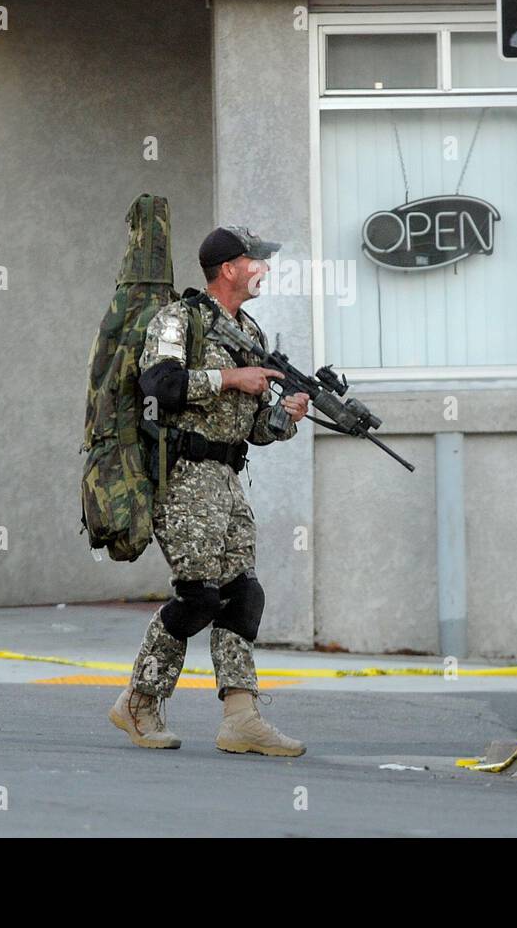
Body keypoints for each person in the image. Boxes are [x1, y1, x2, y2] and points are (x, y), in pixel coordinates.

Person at [110, 225, 310, 756]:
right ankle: (139, 701)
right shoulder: (181, 319)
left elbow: (251, 429)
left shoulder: (249, 331)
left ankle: (241, 718)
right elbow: (160, 385)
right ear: (227, 269)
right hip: (182, 476)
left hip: (225, 477)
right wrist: (230, 379)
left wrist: (283, 418)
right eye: (255, 261)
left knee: (243, 593)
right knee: (198, 596)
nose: (262, 269)